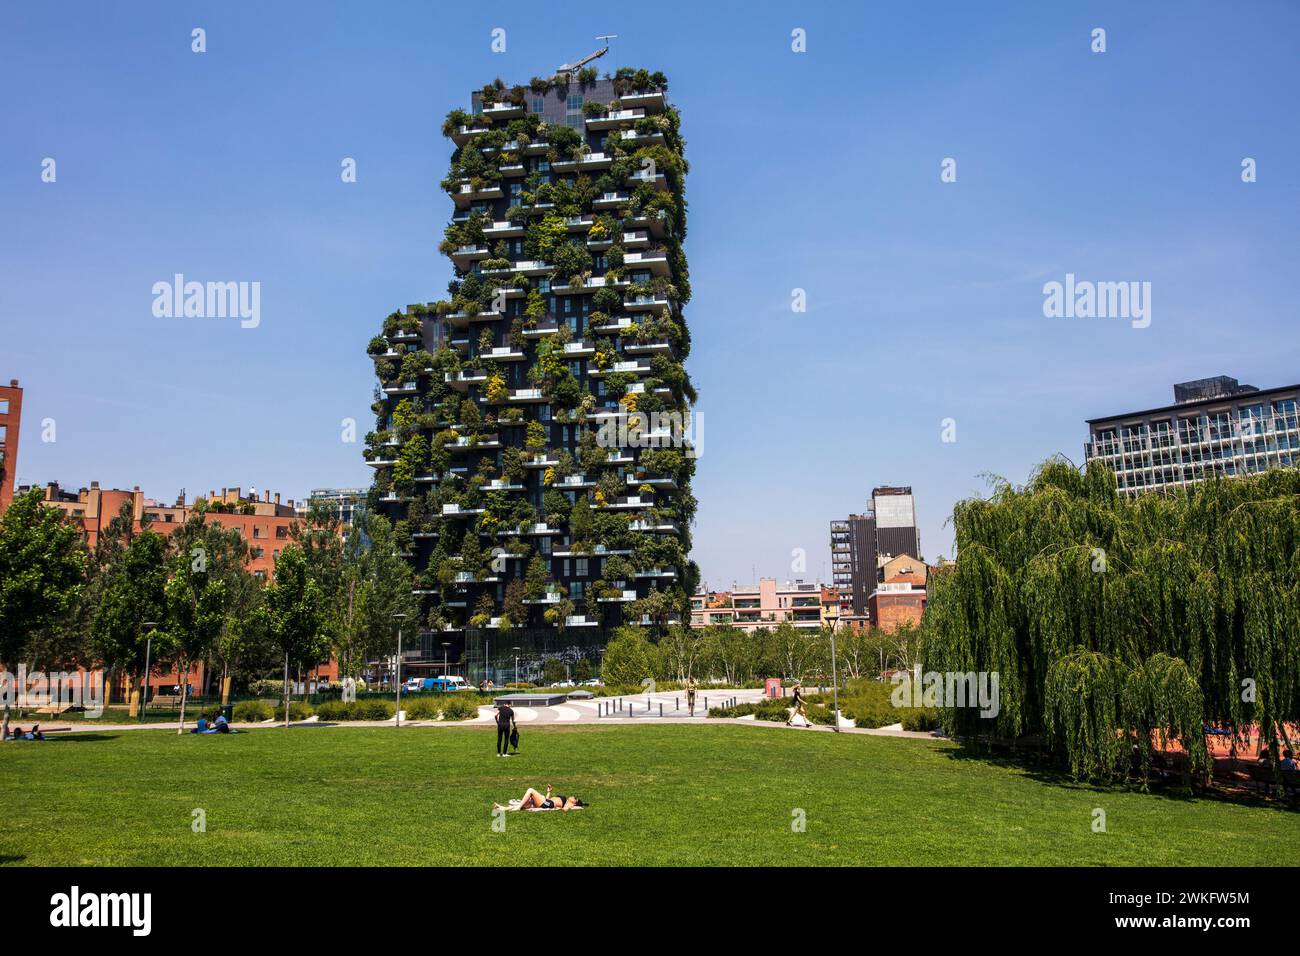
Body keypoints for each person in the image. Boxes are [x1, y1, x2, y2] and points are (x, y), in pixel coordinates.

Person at [493, 784, 585, 812]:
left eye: (575, 798)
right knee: (525, 805)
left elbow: (564, 809)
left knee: (530, 790)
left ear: (574, 802)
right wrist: (549, 792)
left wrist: (560, 808)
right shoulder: (566, 800)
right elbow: (548, 799)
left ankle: (517, 807)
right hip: (546, 802)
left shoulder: (569, 804)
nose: (573, 796)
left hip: (548, 804)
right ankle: (502, 808)